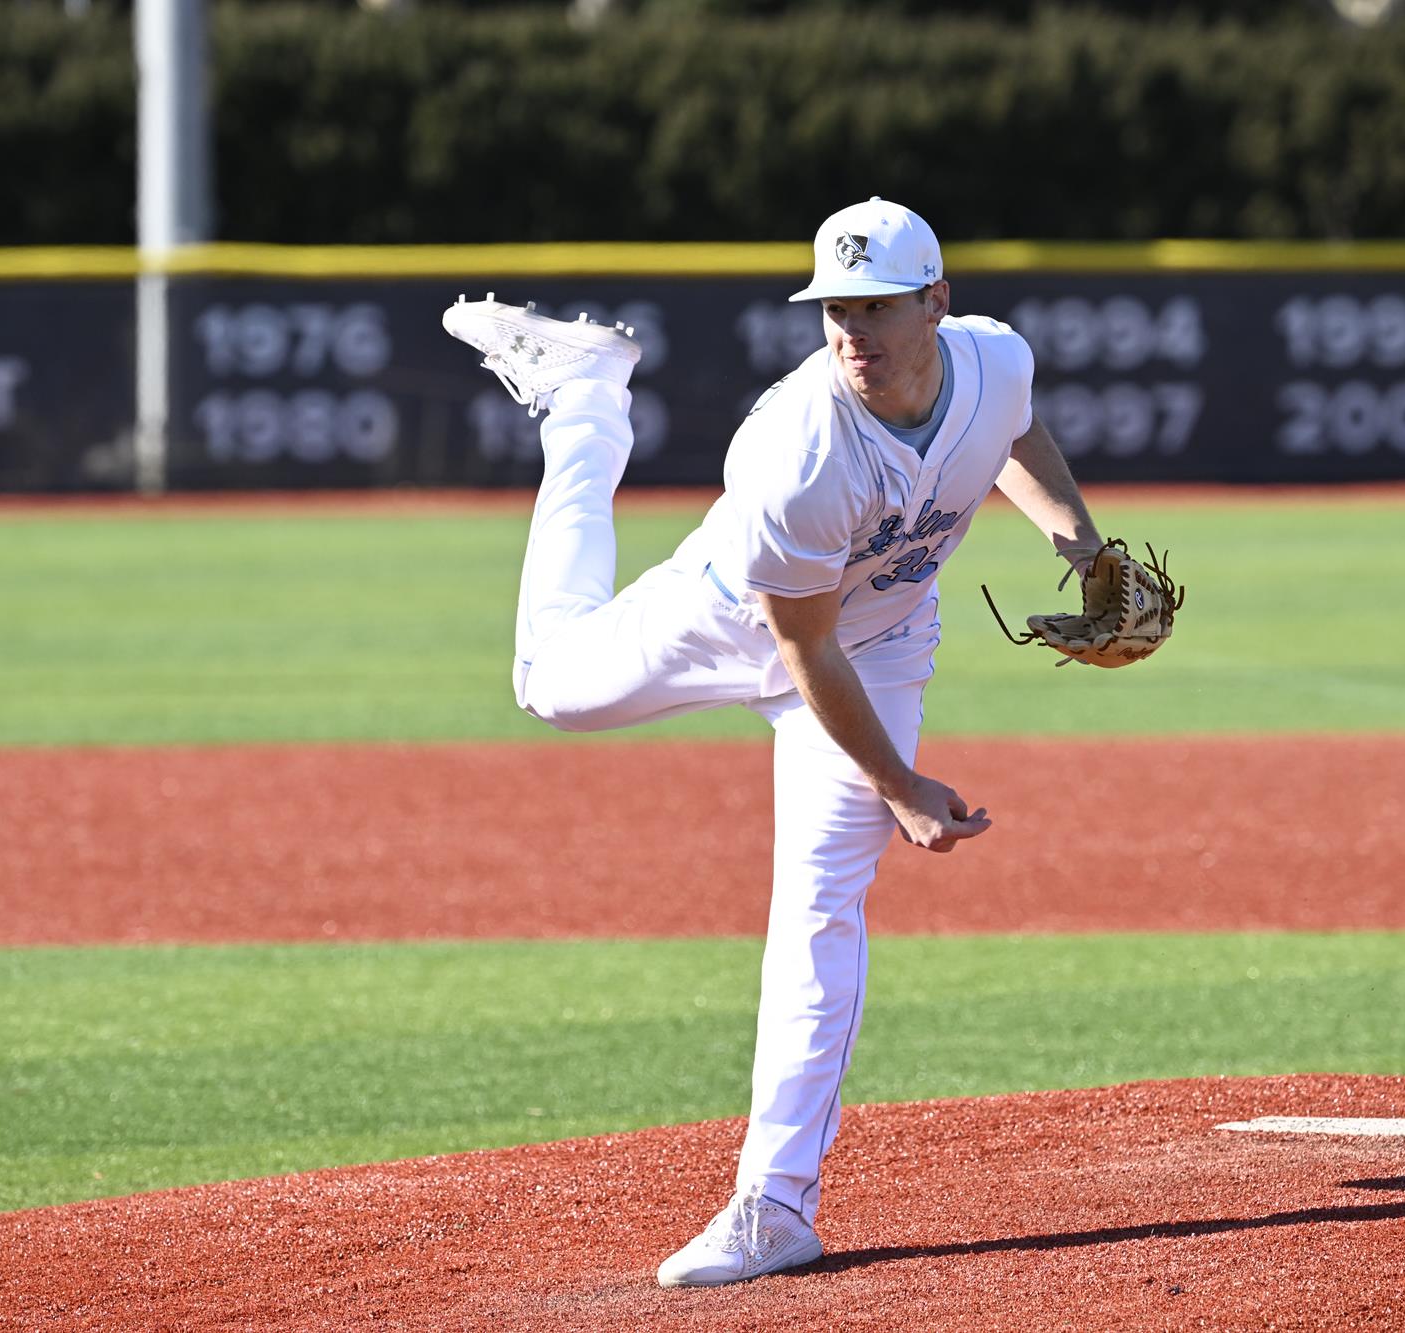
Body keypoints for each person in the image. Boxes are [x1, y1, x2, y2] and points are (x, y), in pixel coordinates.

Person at [441, 197, 1108, 1288]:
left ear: (935, 302)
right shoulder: (800, 449)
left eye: (877, 306)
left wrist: (1078, 545)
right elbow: (803, 649)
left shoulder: (993, 361)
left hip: (879, 644)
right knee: (548, 686)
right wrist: (897, 783)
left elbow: (1014, 428)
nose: (852, 330)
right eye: (833, 308)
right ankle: (585, 403)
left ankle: (775, 1204)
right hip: (732, 617)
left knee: (817, 906)